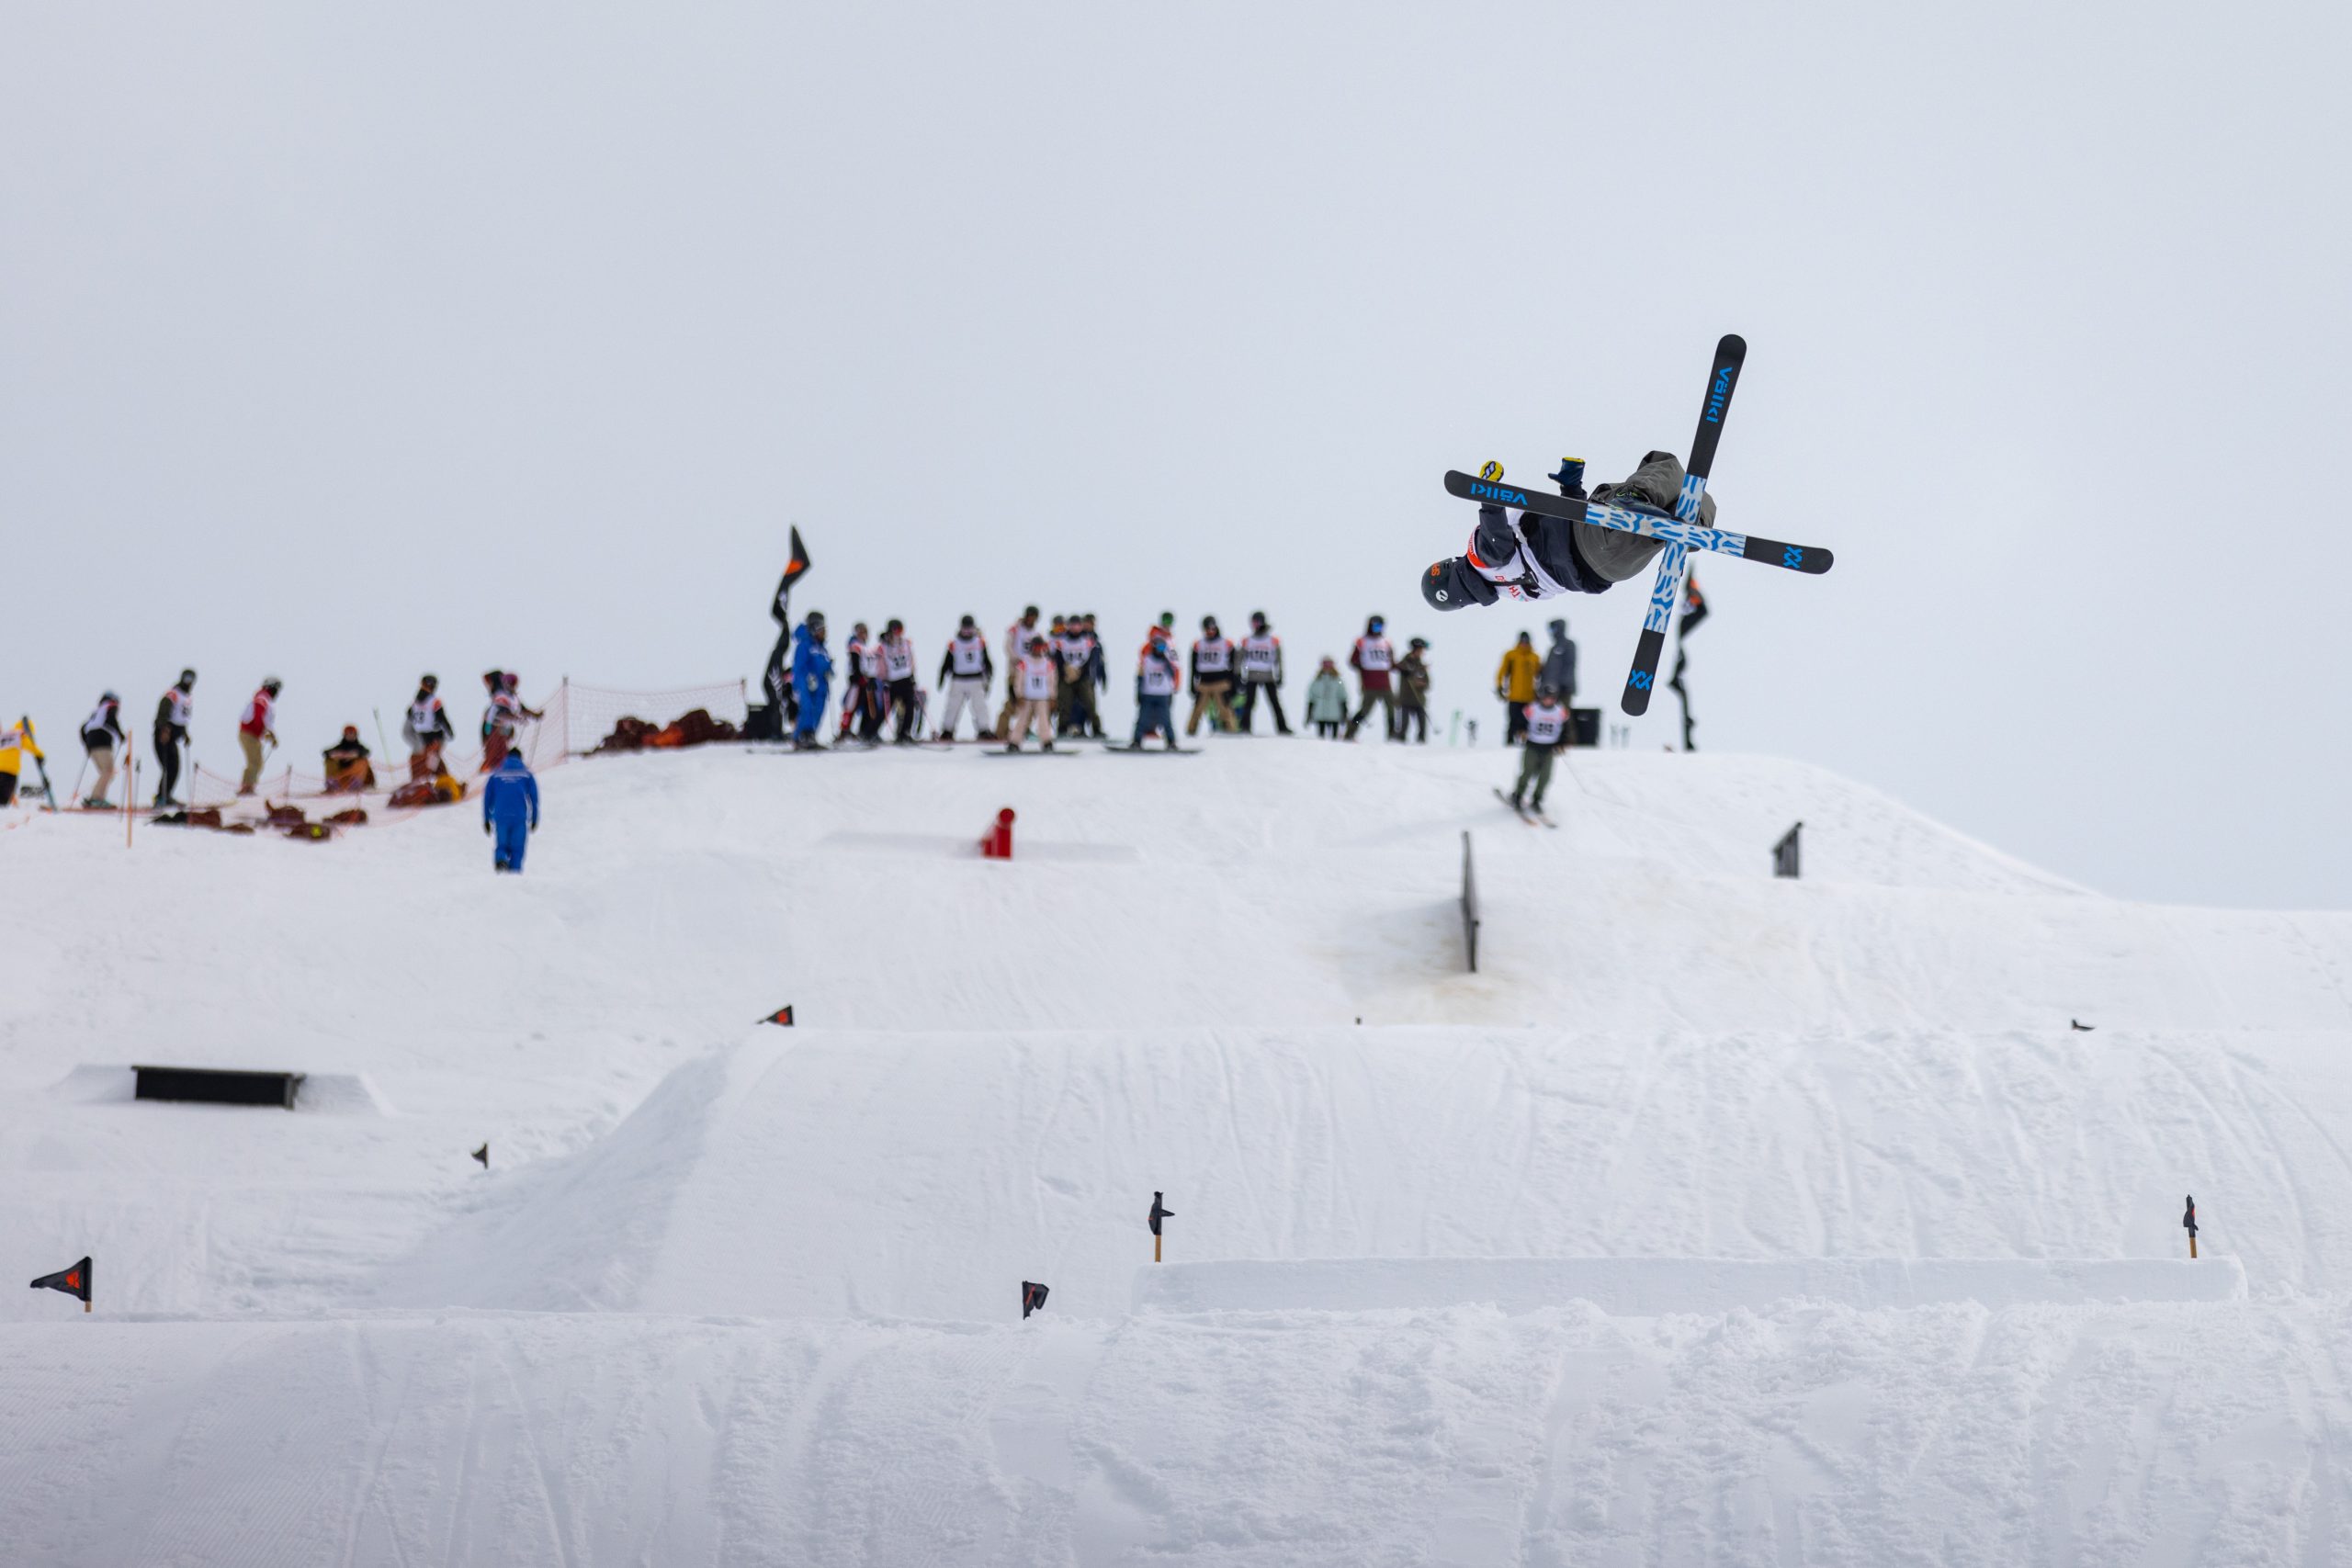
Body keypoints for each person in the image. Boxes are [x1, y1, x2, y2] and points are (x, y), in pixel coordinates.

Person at [1419, 453, 1705, 614]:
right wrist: (1489, 493)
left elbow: (1552, 556)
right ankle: (1640, 500)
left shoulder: (1513, 593)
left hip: (1615, 567)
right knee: (1663, 465)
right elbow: (1497, 541)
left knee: (1691, 501)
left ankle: (1688, 526)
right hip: (1595, 536)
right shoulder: (1481, 560)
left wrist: (1571, 490)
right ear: (1451, 568)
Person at [1508, 683, 1571, 818]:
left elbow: (1565, 729)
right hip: (1533, 745)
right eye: (1546, 697)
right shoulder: (1532, 709)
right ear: (1541, 697)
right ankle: (1518, 795)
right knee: (1527, 772)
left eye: (1552, 698)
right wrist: (1521, 731)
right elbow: (1520, 722)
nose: (1549, 700)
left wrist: (1562, 743)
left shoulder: (1560, 711)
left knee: (1546, 776)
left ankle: (1537, 799)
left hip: (1549, 748)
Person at [935, 615, 994, 739]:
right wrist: (941, 677)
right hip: (959, 679)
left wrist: (988, 676)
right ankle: (948, 730)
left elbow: (987, 661)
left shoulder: (980, 642)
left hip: (976, 679)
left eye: (969, 628)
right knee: (952, 705)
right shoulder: (954, 644)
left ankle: (984, 729)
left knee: (980, 706)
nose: (967, 631)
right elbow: (946, 663)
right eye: (965, 628)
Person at [481, 748, 540, 873]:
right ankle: (514, 874)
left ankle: (501, 859)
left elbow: (487, 798)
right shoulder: (526, 774)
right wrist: (534, 819)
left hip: (500, 816)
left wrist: (486, 819)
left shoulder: (496, 774)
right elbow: (534, 799)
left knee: (502, 845)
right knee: (517, 849)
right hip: (519, 817)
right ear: (520, 758)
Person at [1343, 616, 1396, 740]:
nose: (1378, 629)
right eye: (1376, 626)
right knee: (1365, 710)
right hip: (1369, 683)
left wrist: (1403, 669)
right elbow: (1353, 660)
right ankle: (1350, 732)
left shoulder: (1386, 642)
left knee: (1391, 709)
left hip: (1385, 682)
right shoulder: (1362, 641)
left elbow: (1392, 663)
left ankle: (1392, 736)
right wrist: (1362, 668)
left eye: (1380, 626)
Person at [1235, 612, 1289, 735]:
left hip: (1268, 675)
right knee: (1249, 702)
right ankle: (1245, 727)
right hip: (1252, 675)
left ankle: (1282, 727)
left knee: (1274, 702)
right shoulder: (1247, 640)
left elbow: (1279, 659)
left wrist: (1279, 674)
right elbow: (1239, 658)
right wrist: (1238, 674)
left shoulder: (1273, 640)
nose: (1255, 625)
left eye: (1257, 622)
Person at [1005, 635, 1058, 751]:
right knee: (1021, 720)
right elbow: (1018, 681)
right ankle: (1014, 742)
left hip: (1042, 697)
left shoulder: (1048, 663)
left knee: (1044, 721)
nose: (1038, 650)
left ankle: (1046, 741)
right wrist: (1019, 695)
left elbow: (1052, 682)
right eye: (1036, 647)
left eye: (1040, 647)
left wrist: (1053, 697)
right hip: (1027, 697)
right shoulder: (1024, 663)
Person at [1132, 626, 1182, 750]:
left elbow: (1173, 676)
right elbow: (1140, 676)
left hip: (1163, 695)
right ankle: (1137, 741)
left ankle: (1171, 742)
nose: (1160, 650)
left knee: (1166, 721)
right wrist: (1138, 692)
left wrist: (1172, 693)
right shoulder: (1146, 660)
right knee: (1142, 720)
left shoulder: (1167, 662)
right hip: (1148, 694)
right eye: (1158, 647)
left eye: (1163, 648)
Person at [1188, 615, 1238, 736]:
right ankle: (1191, 732)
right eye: (1207, 629)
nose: (1210, 631)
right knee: (1197, 710)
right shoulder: (1198, 644)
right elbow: (1193, 666)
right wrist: (1192, 683)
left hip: (1221, 682)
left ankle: (1231, 732)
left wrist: (1234, 683)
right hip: (1204, 683)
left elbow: (1233, 665)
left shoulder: (1226, 643)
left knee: (1225, 710)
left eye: (1212, 628)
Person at [152, 670, 195, 808]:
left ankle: (166, 795)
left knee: (174, 767)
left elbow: (181, 719)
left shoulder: (186, 697)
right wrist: (164, 729)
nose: (188, 681)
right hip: (164, 735)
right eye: (186, 678)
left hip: (174, 737)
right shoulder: (173, 694)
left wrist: (185, 735)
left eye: (191, 678)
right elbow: (163, 711)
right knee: (169, 766)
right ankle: (161, 797)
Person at [998, 605, 1041, 738]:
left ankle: (1023, 731)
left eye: (1034, 617)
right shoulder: (1015, 630)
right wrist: (1017, 660)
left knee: (1030, 704)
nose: (1031, 620)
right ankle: (1001, 732)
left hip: (1030, 675)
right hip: (1015, 673)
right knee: (1012, 703)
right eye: (1030, 616)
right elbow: (1007, 647)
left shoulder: (1036, 634)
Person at [402, 675, 456, 783]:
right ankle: (439, 781)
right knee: (431, 762)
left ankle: (440, 780)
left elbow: (409, 717)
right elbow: (442, 718)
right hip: (434, 738)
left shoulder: (415, 703)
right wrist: (449, 733)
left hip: (422, 738)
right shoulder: (434, 702)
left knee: (430, 761)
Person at [792, 612, 833, 748]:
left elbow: (825, 664)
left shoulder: (822, 648)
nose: (824, 633)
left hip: (820, 685)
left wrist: (829, 670)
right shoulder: (805, 645)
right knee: (807, 708)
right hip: (807, 684)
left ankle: (811, 735)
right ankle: (802, 735)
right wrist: (803, 680)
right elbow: (799, 666)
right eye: (821, 629)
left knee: (819, 709)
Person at [78, 692, 127, 807]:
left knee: (106, 772)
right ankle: (96, 799)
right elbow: (111, 720)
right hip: (102, 744)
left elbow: (83, 728)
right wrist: (120, 735)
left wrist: (87, 744)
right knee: (108, 771)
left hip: (92, 746)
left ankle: (98, 798)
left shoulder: (96, 712)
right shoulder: (110, 706)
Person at [237, 677, 281, 795]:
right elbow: (259, 717)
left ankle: (249, 785)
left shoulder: (264, 699)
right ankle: (247, 787)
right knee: (255, 761)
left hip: (253, 734)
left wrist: (265, 735)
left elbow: (263, 721)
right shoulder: (262, 698)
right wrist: (267, 734)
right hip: (249, 733)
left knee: (257, 762)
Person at [878, 619, 920, 743]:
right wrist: (883, 678)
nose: (899, 633)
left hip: (906, 679)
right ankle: (870, 732)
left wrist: (912, 675)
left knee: (910, 707)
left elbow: (911, 659)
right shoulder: (884, 646)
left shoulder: (906, 643)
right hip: (893, 681)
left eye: (901, 630)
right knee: (887, 708)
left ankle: (905, 733)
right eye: (896, 630)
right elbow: (881, 664)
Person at [1496, 630, 1540, 743]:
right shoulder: (1511, 655)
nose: (1524, 643)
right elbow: (1502, 672)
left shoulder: (1534, 657)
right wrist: (1499, 686)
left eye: (1526, 641)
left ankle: (1527, 743)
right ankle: (1510, 744)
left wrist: (1541, 691)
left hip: (1529, 697)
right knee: (1513, 722)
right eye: (1522, 641)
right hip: (1514, 696)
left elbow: (1540, 674)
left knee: (1527, 723)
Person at [0, 716, 44, 807]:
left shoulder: (6, 735)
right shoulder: (19, 735)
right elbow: (30, 746)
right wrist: (40, 755)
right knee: (4, 798)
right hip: (10, 771)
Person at [1396, 638, 1431, 744]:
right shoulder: (1405, 662)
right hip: (1406, 700)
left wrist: (1421, 685)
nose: (1422, 652)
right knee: (1404, 725)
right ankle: (1399, 743)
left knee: (1422, 726)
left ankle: (1421, 744)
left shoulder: (1421, 666)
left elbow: (1428, 684)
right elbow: (1398, 666)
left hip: (1419, 701)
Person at [322, 727, 375, 793]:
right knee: (329, 760)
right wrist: (335, 754)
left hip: (356, 778)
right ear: (345, 735)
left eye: (352, 734)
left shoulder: (359, 747)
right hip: (341, 777)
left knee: (362, 760)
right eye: (348, 734)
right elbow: (325, 752)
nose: (350, 736)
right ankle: (332, 782)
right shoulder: (340, 747)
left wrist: (355, 755)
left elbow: (366, 752)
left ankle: (356, 782)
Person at [1306, 658, 1349, 739]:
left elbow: (1343, 696)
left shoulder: (1338, 680)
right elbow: (1312, 697)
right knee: (1321, 736)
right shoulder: (1317, 681)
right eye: (1325, 665)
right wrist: (1309, 714)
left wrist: (1344, 712)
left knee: (1334, 737)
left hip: (1335, 713)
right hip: (1320, 713)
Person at [1542, 618, 1578, 711]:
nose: (1551, 632)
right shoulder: (1553, 649)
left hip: (1564, 689)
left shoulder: (1568, 645)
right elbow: (1548, 669)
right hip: (1551, 690)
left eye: (1553, 629)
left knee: (1564, 714)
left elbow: (1570, 665)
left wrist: (1565, 683)